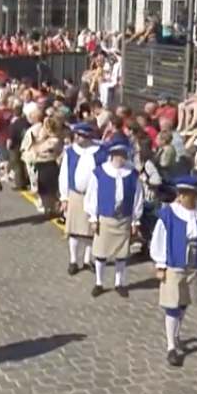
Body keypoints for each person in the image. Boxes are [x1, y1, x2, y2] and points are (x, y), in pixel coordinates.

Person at [149, 176, 197, 368]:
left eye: (191, 195)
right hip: (174, 262)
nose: (187, 198)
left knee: (184, 302)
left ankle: (177, 334)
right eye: (184, 195)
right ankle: (171, 346)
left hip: (195, 264)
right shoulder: (169, 214)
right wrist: (160, 265)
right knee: (172, 303)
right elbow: (160, 238)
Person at [84, 135, 143, 298]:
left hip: (123, 217)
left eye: (124, 154)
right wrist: (93, 218)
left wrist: (135, 220)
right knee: (101, 252)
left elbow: (138, 197)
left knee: (121, 253)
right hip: (105, 217)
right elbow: (92, 195)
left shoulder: (131, 174)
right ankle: (99, 283)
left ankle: (119, 283)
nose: (121, 157)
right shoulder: (100, 172)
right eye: (119, 154)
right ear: (113, 154)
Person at [59, 123, 100, 275]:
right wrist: (64, 196)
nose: (76, 137)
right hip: (75, 195)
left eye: (80, 135)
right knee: (74, 231)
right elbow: (64, 174)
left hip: (94, 196)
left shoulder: (100, 153)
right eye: (76, 134)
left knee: (90, 231)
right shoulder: (70, 152)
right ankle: (73, 260)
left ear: (88, 136)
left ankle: (88, 259)